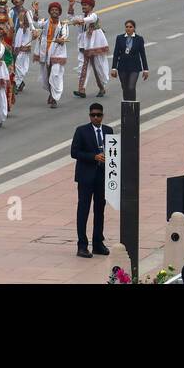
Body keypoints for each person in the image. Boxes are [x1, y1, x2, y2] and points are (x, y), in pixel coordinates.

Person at [70, 103, 112, 258]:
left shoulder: (108, 131)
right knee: (83, 210)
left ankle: (97, 243)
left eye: (98, 115)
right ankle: (82, 244)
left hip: (101, 177)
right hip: (86, 177)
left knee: (100, 210)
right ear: (89, 116)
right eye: (93, 115)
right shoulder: (81, 131)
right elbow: (74, 152)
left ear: (102, 115)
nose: (96, 117)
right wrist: (94, 157)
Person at [71, 0, 109, 98]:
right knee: (82, 66)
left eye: (85, 5)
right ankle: (81, 89)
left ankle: (102, 87)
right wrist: (71, 6)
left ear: (91, 6)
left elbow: (89, 20)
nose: (83, 6)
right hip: (84, 45)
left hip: (95, 45)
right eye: (82, 5)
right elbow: (72, 18)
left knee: (98, 67)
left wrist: (80, 21)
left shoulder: (93, 15)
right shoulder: (82, 17)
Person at [32, 1, 69, 108]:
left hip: (57, 52)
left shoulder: (63, 24)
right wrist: (36, 11)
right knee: (46, 77)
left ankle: (54, 99)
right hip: (45, 52)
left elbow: (65, 35)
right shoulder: (44, 22)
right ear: (49, 12)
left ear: (59, 12)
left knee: (55, 74)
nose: (54, 12)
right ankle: (51, 93)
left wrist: (61, 39)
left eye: (56, 10)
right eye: (52, 10)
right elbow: (35, 24)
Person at [110, 19, 149, 102]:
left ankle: (132, 105)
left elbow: (142, 54)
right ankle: (126, 105)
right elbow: (116, 54)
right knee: (125, 87)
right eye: (127, 27)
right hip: (122, 67)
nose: (128, 28)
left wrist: (146, 69)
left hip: (134, 67)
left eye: (130, 27)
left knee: (131, 87)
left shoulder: (139, 39)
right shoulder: (120, 38)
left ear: (134, 28)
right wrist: (114, 68)